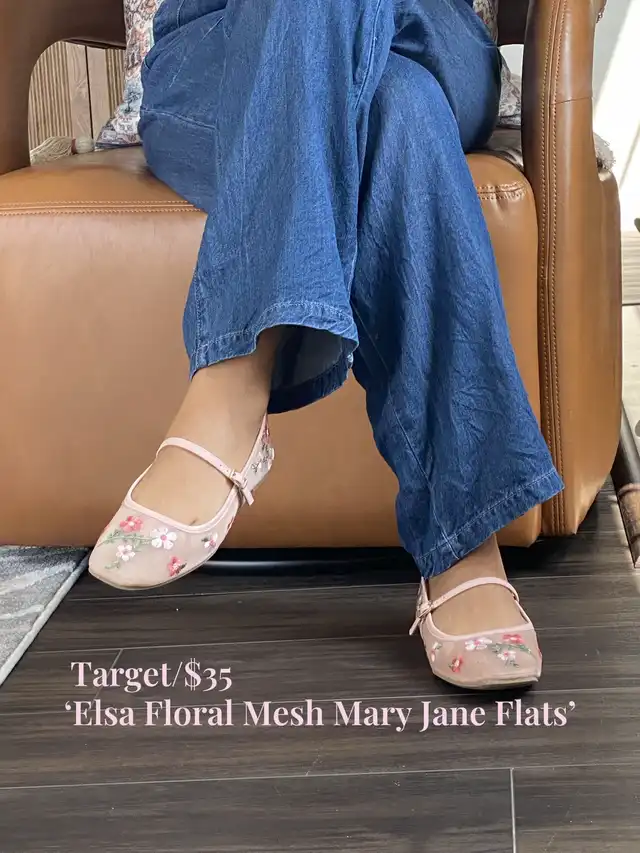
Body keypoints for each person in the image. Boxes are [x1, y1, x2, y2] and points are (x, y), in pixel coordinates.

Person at [88, 0, 564, 690]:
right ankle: (464, 537)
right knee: (399, 108)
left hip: (428, 29)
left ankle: (235, 371)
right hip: (213, 57)